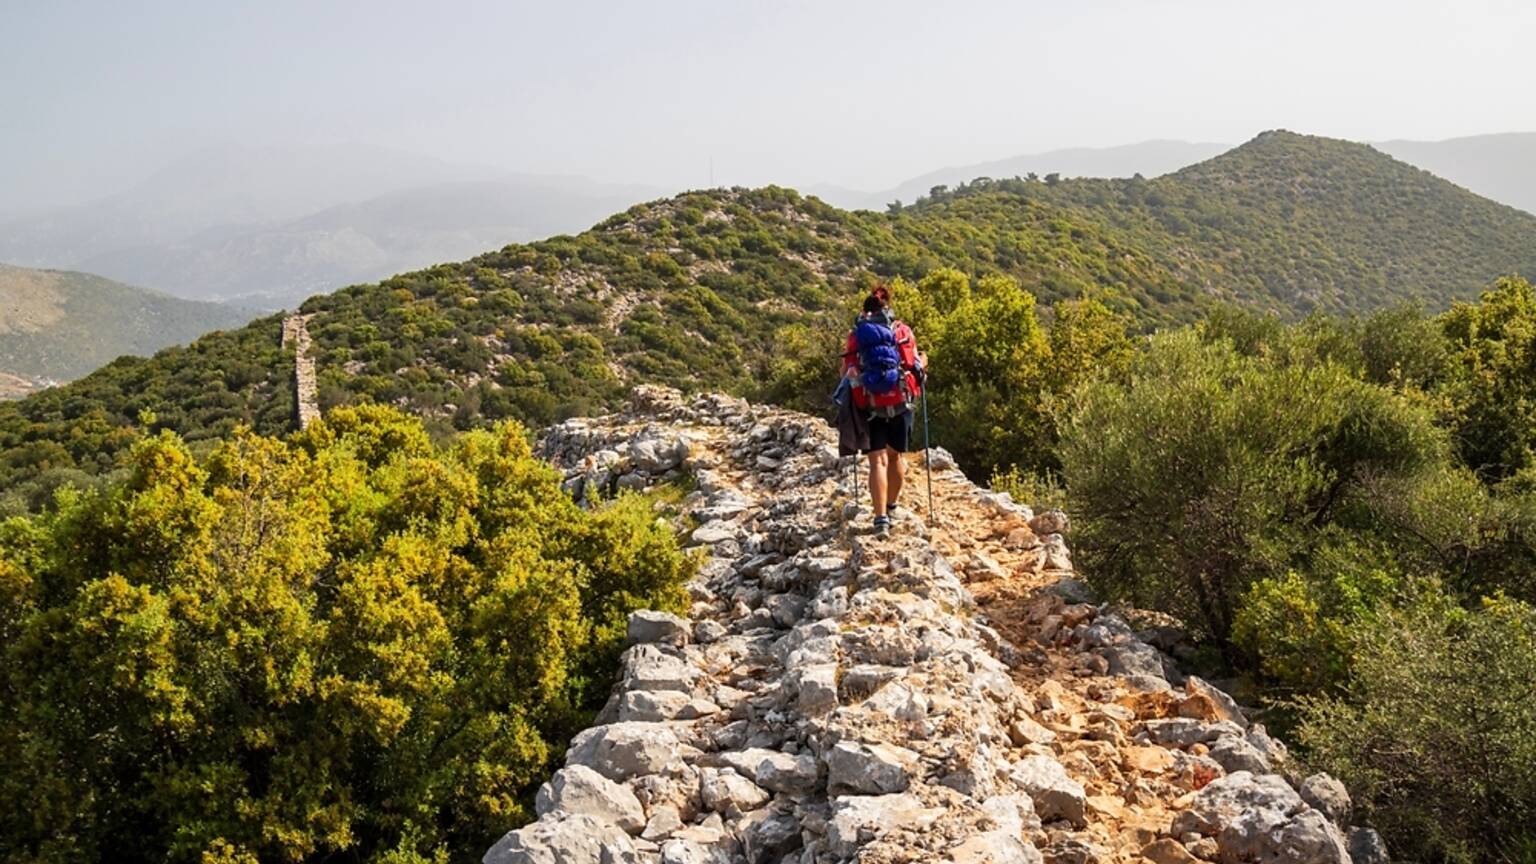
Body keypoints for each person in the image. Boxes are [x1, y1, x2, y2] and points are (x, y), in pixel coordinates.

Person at [842, 284, 925, 536]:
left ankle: (880, 520)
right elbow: (915, 366)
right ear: (888, 306)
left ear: (864, 310)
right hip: (901, 403)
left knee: (876, 460)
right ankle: (891, 506)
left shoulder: (857, 335)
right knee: (895, 457)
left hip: (870, 404)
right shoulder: (902, 331)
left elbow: (846, 373)